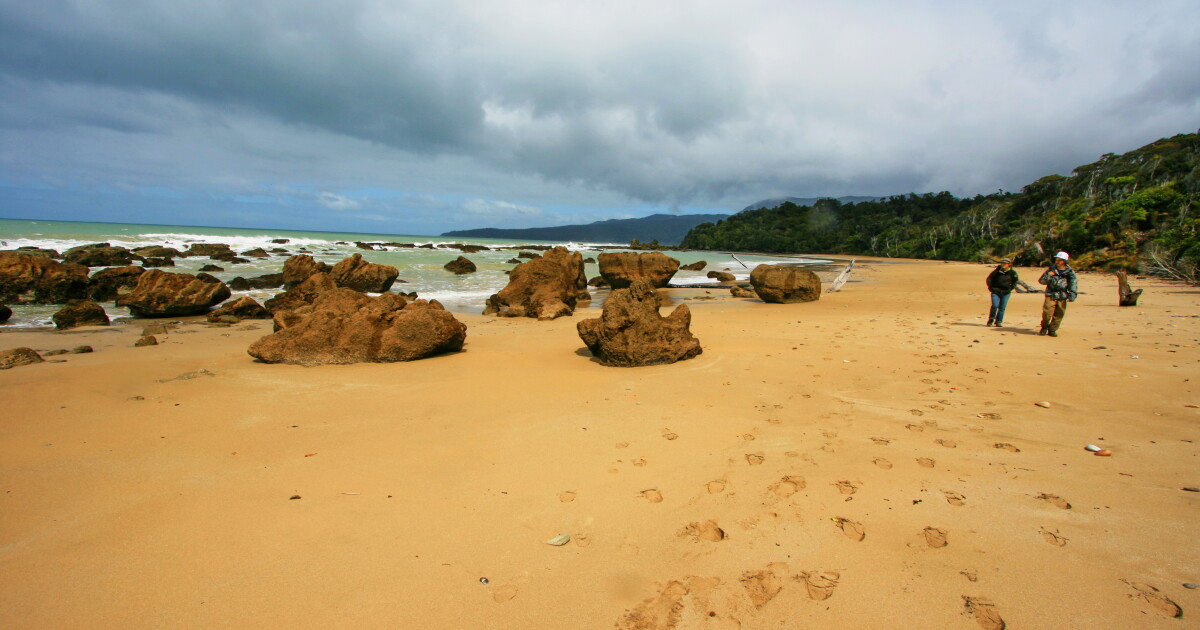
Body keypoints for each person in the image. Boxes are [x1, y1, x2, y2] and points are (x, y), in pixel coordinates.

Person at [1038, 251, 1078, 337]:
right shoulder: (1050, 270)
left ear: (1064, 261)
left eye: (1060, 260)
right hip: (1050, 293)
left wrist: (1072, 294)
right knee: (1047, 313)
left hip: (1063, 294)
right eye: (1056, 260)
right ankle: (1044, 327)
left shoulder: (1070, 272)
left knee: (1059, 314)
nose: (1057, 262)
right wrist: (1049, 275)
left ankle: (1052, 330)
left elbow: (1073, 284)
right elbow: (1041, 281)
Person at [985, 258, 1019, 326]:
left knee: (1002, 308)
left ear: (1009, 264)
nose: (1003, 264)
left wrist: (1010, 288)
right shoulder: (996, 271)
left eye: (1005, 263)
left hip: (1006, 292)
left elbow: (1015, 281)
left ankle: (999, 321)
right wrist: (990, 287)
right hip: (995, 291)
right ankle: (991, 319)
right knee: (995, 305)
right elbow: (989, 279)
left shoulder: (1012, 273)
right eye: (1002, 263)